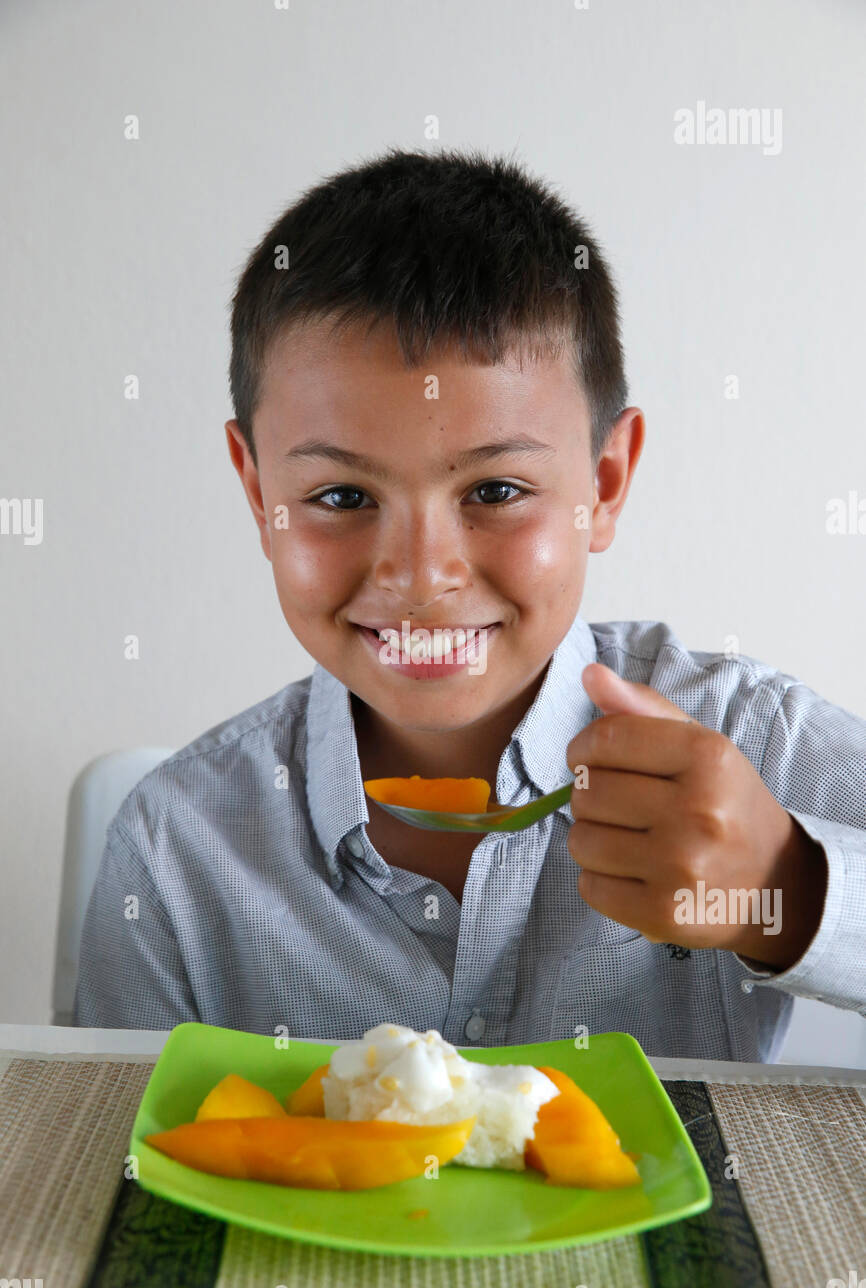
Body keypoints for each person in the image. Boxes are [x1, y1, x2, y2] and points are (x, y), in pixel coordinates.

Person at [74, 148, 865, 1061]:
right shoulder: (177, 847)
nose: (420, 574)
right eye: (341, 497)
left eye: (494, 491)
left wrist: (788, 890)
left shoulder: (746, 744)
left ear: (603, 484)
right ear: (260, 496)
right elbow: (113, 1160)